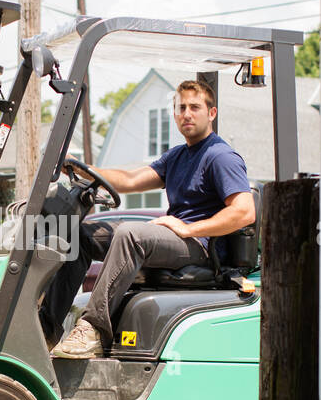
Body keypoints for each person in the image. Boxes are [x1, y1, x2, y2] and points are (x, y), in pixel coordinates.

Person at [42, 78, 254, 359]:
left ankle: (92, 329)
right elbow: (130, 179)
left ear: (211, 113)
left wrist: (190, 229)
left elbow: (244, 211)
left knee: (131, 233)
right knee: (79, 235)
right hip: (176, 239)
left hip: (201, 247)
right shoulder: (177, 156)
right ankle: (46, 330)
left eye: (194, 107)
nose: (186, 114)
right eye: (181, 108)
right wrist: (82, 169)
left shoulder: (220, 156)